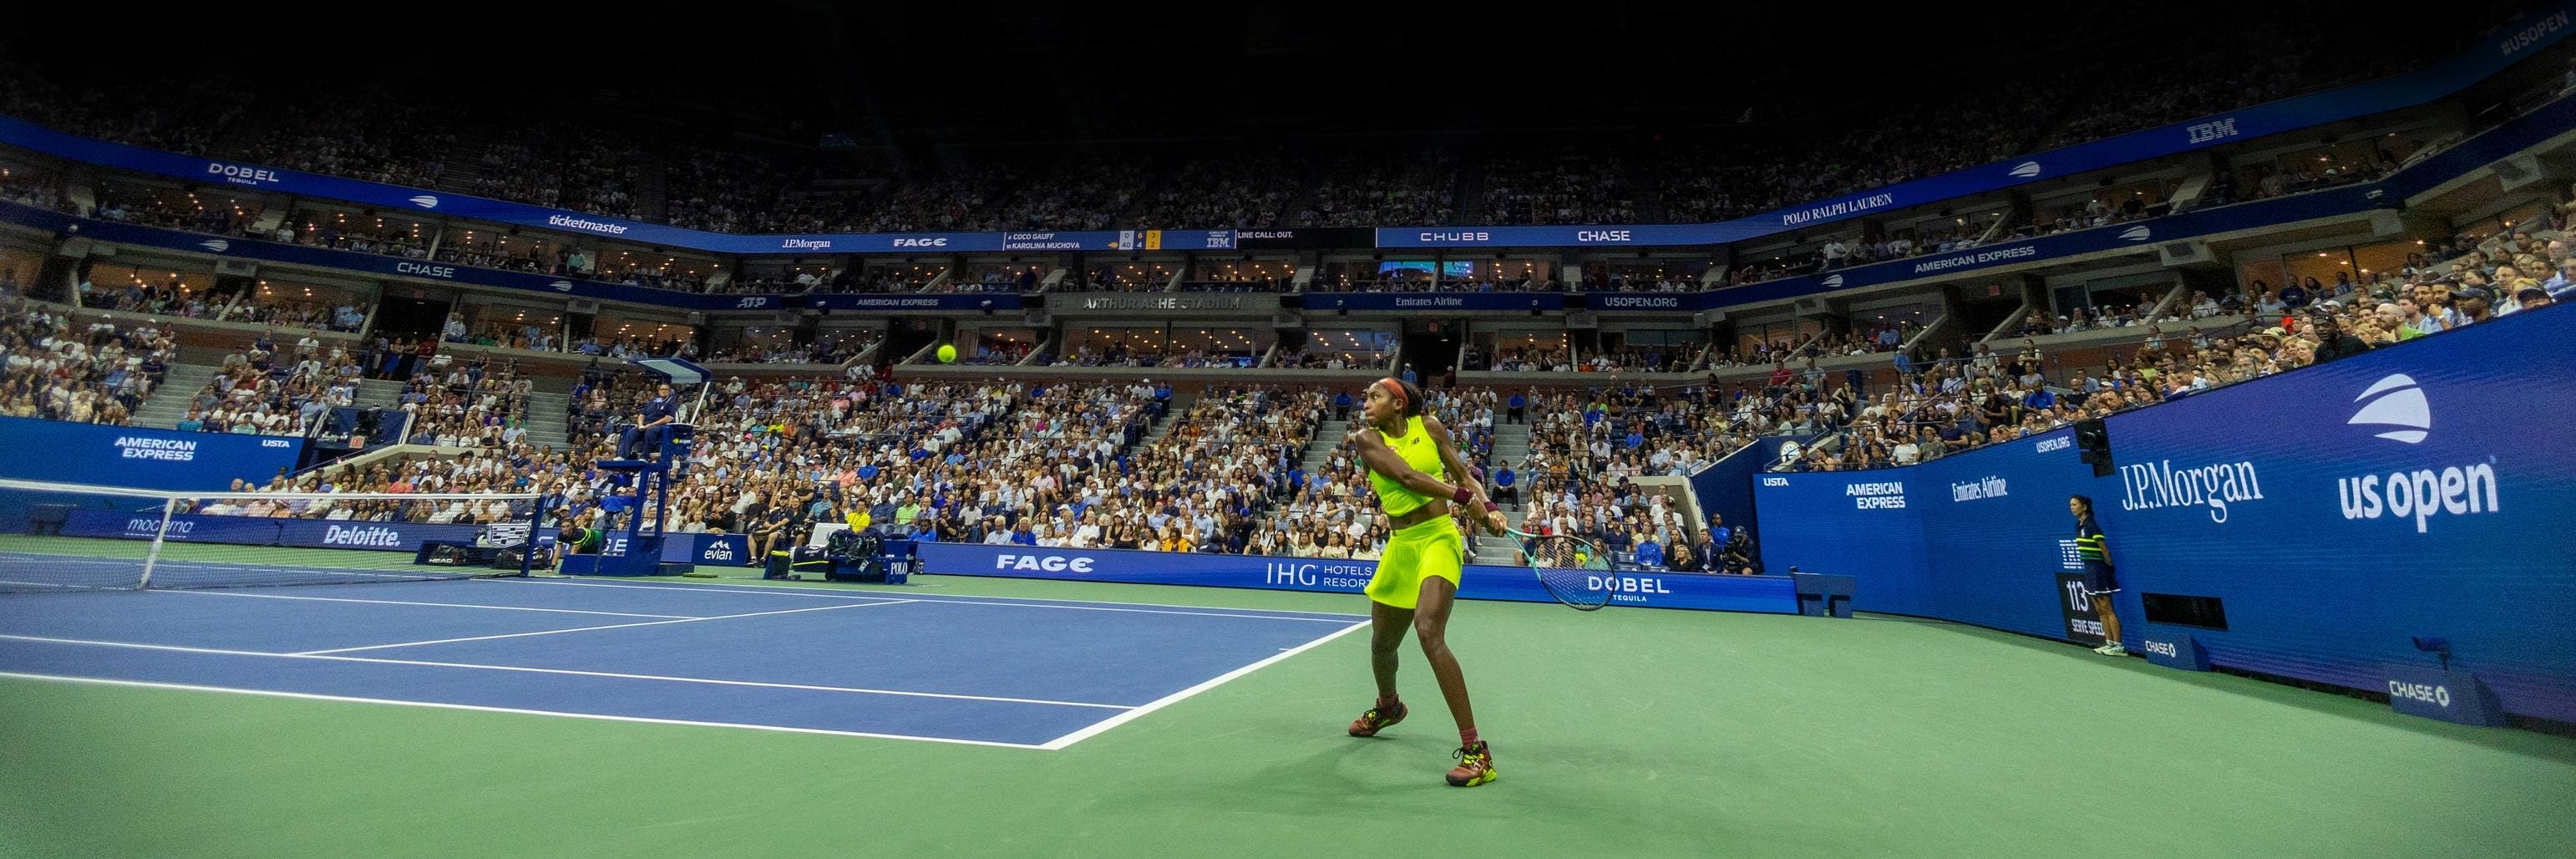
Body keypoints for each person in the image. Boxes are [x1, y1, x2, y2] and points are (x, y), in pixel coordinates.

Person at [1343, 377, 1509, 788]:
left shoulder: (1430, 427)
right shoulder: (1368, 439)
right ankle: (1388, 706)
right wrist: (1465, 499)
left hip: (1438, 536)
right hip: (1401, 545)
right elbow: (1407, 477)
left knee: (1429, 630)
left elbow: (1464, 474)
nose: (1366, 403)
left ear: (1398, 403)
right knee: (1382, 644)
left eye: (1375, 396)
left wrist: (1487, 506)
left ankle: (1476, 751)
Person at [2071, 495, 2124, 656]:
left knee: (2107, 609)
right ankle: (2109, 642)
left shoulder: (2092, 525)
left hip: (2099, 569)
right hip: (2089, 569)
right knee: (2099, 609)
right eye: (2071, 505)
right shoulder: (2079, 526)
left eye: (2075, 505)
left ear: (2084, 507)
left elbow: (2104, 550)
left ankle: (2118, 646)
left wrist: (2108, 568)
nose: (2072, 507)